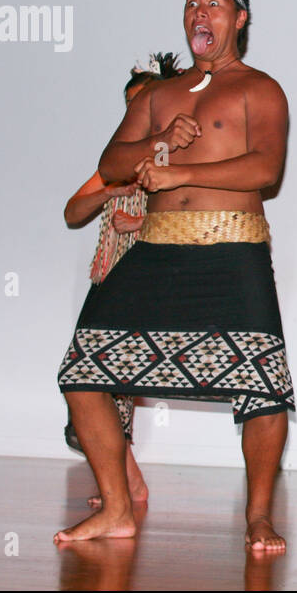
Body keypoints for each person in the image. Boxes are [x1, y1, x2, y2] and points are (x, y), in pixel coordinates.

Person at [56, 0, 292, 550]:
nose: (198, 13)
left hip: (232, 250)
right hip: (156, 251)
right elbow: (110, 164)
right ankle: (116, 508)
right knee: (84, 372)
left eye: (213, 3)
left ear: (239, 19)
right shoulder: (156, 96)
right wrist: (158, 142)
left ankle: (258, 515)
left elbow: (266, 168)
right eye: (191, 3)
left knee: (261, 387)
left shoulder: (260, 89)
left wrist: (180, 174)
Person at [62, 52, 184, 507]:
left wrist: (145, 224)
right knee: (97, 380)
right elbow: (72, 211)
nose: (137, 116)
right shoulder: (114, 164)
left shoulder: (176, 161)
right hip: (109, 278)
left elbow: (190, 220)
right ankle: (126, 483)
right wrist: (109, 192)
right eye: (131, 107)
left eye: (145, 105)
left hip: (152, 280)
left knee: (113, 379)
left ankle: (127, 485)